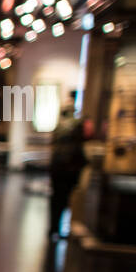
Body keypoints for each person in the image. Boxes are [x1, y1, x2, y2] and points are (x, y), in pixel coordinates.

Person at [49, 101, 87, 240]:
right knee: (67, 199)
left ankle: (53, 228)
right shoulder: (77, 124)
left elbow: (53, 144)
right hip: (70, 168)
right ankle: (65, 227)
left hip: (56, 167)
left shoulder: (58, 125)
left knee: (55, 199)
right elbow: (80, 146)